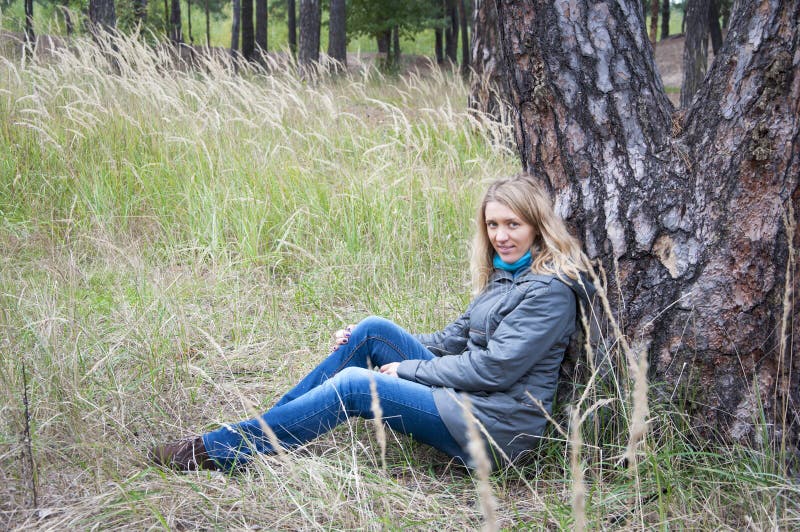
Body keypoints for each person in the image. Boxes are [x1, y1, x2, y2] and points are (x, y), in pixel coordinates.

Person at [151, 174, 595, 472]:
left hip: (495, 427)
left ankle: (219, 450)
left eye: (513, 224)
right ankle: (263, 429)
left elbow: (493, 369)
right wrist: (372, 344)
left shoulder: (549, 292)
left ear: (538, 226)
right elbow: (448, 341)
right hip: (467, 398)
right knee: (372, 329)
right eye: (493, 224)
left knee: (356, 386)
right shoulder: (506, 276)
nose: (501, 236)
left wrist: (406, 370)